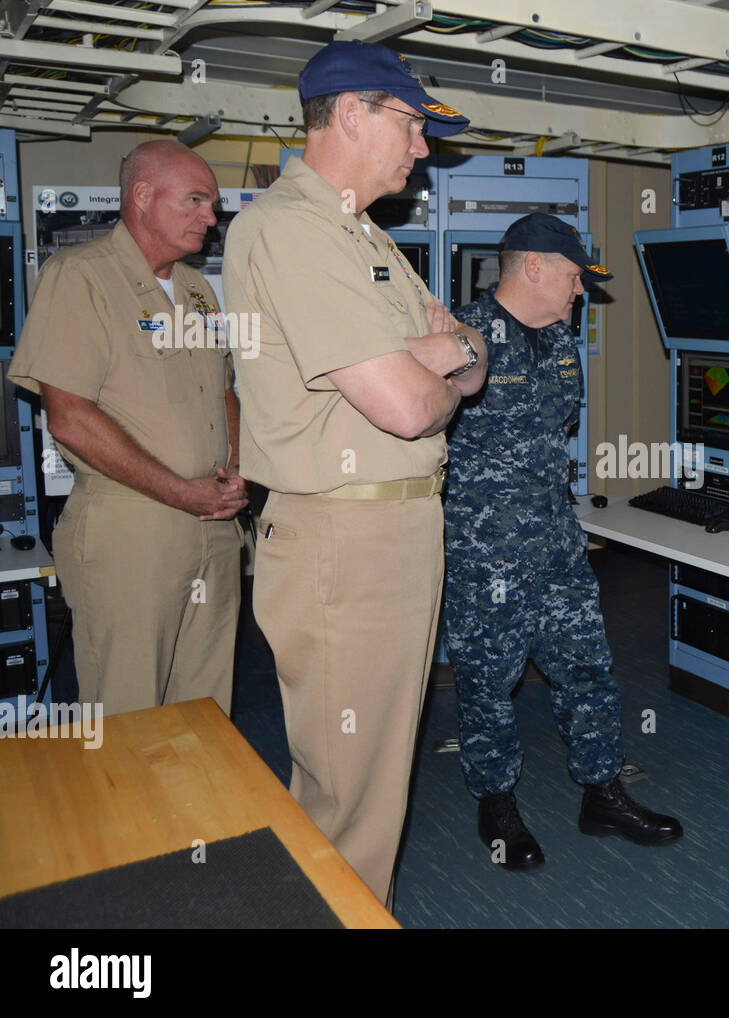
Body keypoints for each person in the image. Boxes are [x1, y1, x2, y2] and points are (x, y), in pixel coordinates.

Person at [221, 40, 485, 905]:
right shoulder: (292, 230)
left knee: (373, 781)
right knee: (350, 800)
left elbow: (471, 361)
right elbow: (409, 407)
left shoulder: (361, 235)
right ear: (349, 113)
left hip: (394, 528)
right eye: (412, 125)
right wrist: (428, 362)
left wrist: (434, 355)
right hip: (345, 535)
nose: (423, 149)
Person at [444, 213, 682, 870]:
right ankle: (497, 807)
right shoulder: (462, 336)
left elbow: (552, 438)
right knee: (488, 682)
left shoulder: (558, 341)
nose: (581, 291)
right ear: (535, 267)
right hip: (484, 546)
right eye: (576, 277)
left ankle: (602, 792)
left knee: (588, 667)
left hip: (555, 540)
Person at [9, 139, 247, 717]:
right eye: (195, 200)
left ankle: (195, 811)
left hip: (213, 527)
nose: (210, 218)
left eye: (212, 204)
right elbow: (69, 419)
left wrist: (238, 471)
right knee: (129, 712)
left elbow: (223, 390)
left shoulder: (197, 290)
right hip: (132, 530)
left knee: (205, 708)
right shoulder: (81, 278)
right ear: (142, 197)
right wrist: (180, 492)